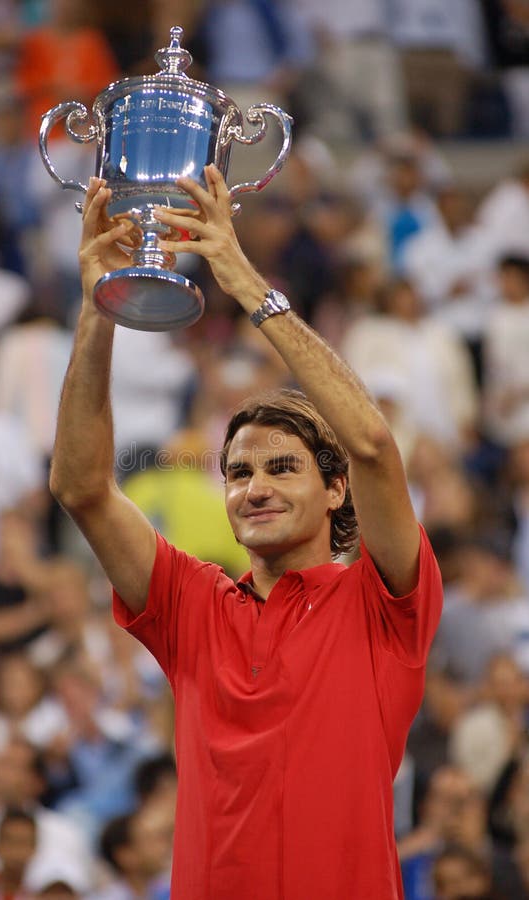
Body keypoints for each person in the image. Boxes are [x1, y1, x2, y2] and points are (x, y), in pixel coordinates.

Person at [49, 165, 444, 899]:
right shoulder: (191, 603)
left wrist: (239, 278)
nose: (254, 487)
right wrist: (100, 306)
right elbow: (81, 489)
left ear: (334, 490)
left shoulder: (385, 601)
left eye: (281, 469)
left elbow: (370, 444)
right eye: (236, 473)